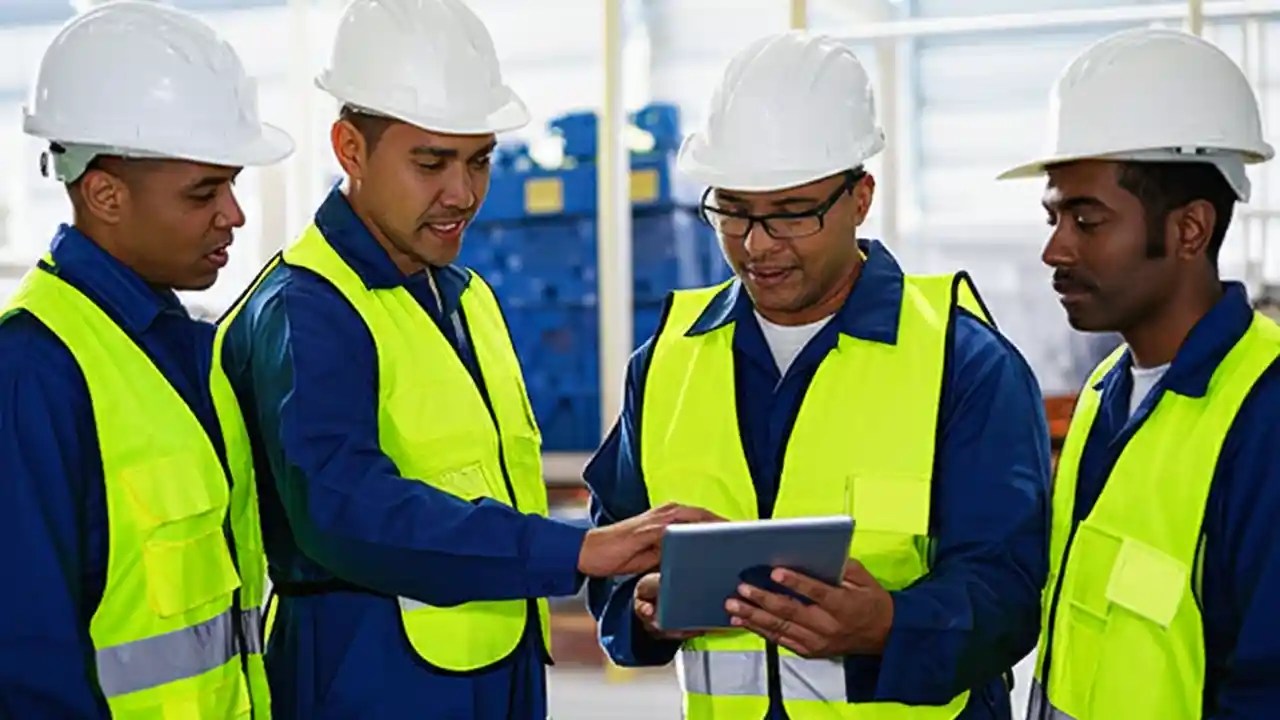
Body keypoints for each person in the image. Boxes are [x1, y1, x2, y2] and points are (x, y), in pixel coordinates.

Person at [215, 0, 713, 717]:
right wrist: (574, 550)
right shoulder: (309, 307)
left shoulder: (465, 295)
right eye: (431, 163)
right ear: (349, 149)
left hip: (494, 670)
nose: (463, 194)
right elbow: (345, 508)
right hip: (368, 682)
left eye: (478, 161)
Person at [585, 31, 1052, 720]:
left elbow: (1011, 592)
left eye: (790, 214)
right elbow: (614, 554)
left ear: (860, 197)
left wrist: (890, 623)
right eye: (734, 211)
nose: (756, 245)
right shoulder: (666, 362)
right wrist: (645, 608)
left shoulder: (965, 364)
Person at [0, 2, 294, 717]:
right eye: (203, 192)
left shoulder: (188, 348)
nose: (234, 214)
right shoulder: (32, 372)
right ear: (104, 194)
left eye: (231, 184)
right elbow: (26, 665)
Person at [997, 26, 1280, 720]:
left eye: (1087, 221)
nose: (1054, 249)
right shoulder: (1104, 394)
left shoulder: (1264, 418)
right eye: (1053, 217)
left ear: (1190, 229)